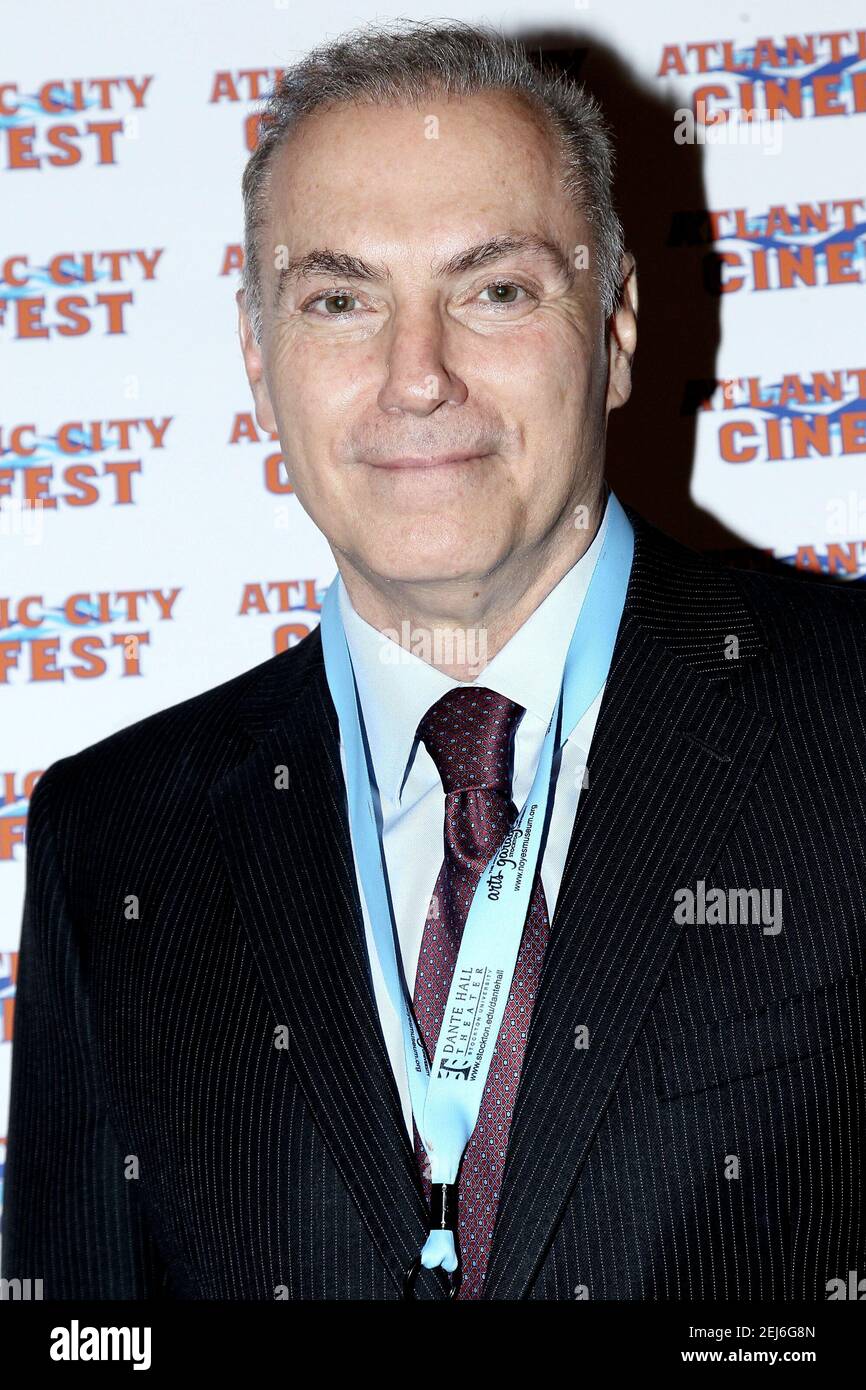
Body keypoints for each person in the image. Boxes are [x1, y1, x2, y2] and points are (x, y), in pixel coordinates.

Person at [3, 19, 864, 1302]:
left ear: (617, 328)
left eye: (494, 289)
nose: (417, 378)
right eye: (341, 299)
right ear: (258, 359)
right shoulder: (116, 835)